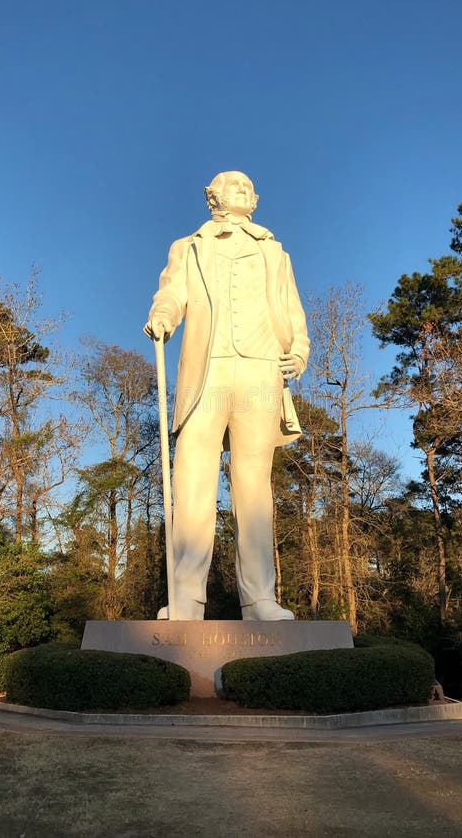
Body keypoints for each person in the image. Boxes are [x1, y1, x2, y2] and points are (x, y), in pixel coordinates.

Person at [145, 171, 309, 621]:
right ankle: (186, 599)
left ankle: (260, 600)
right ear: (212, 196)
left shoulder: (274, 251)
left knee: (254, 487)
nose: (238, 188)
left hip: (261, 369)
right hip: (207, 367)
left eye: (245, 185)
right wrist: (162, 314)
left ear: (254, 199)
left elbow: (291, 306)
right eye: (229, 184)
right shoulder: (189, 245)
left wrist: (299, 349)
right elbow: (172, 291)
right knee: (192, 478)